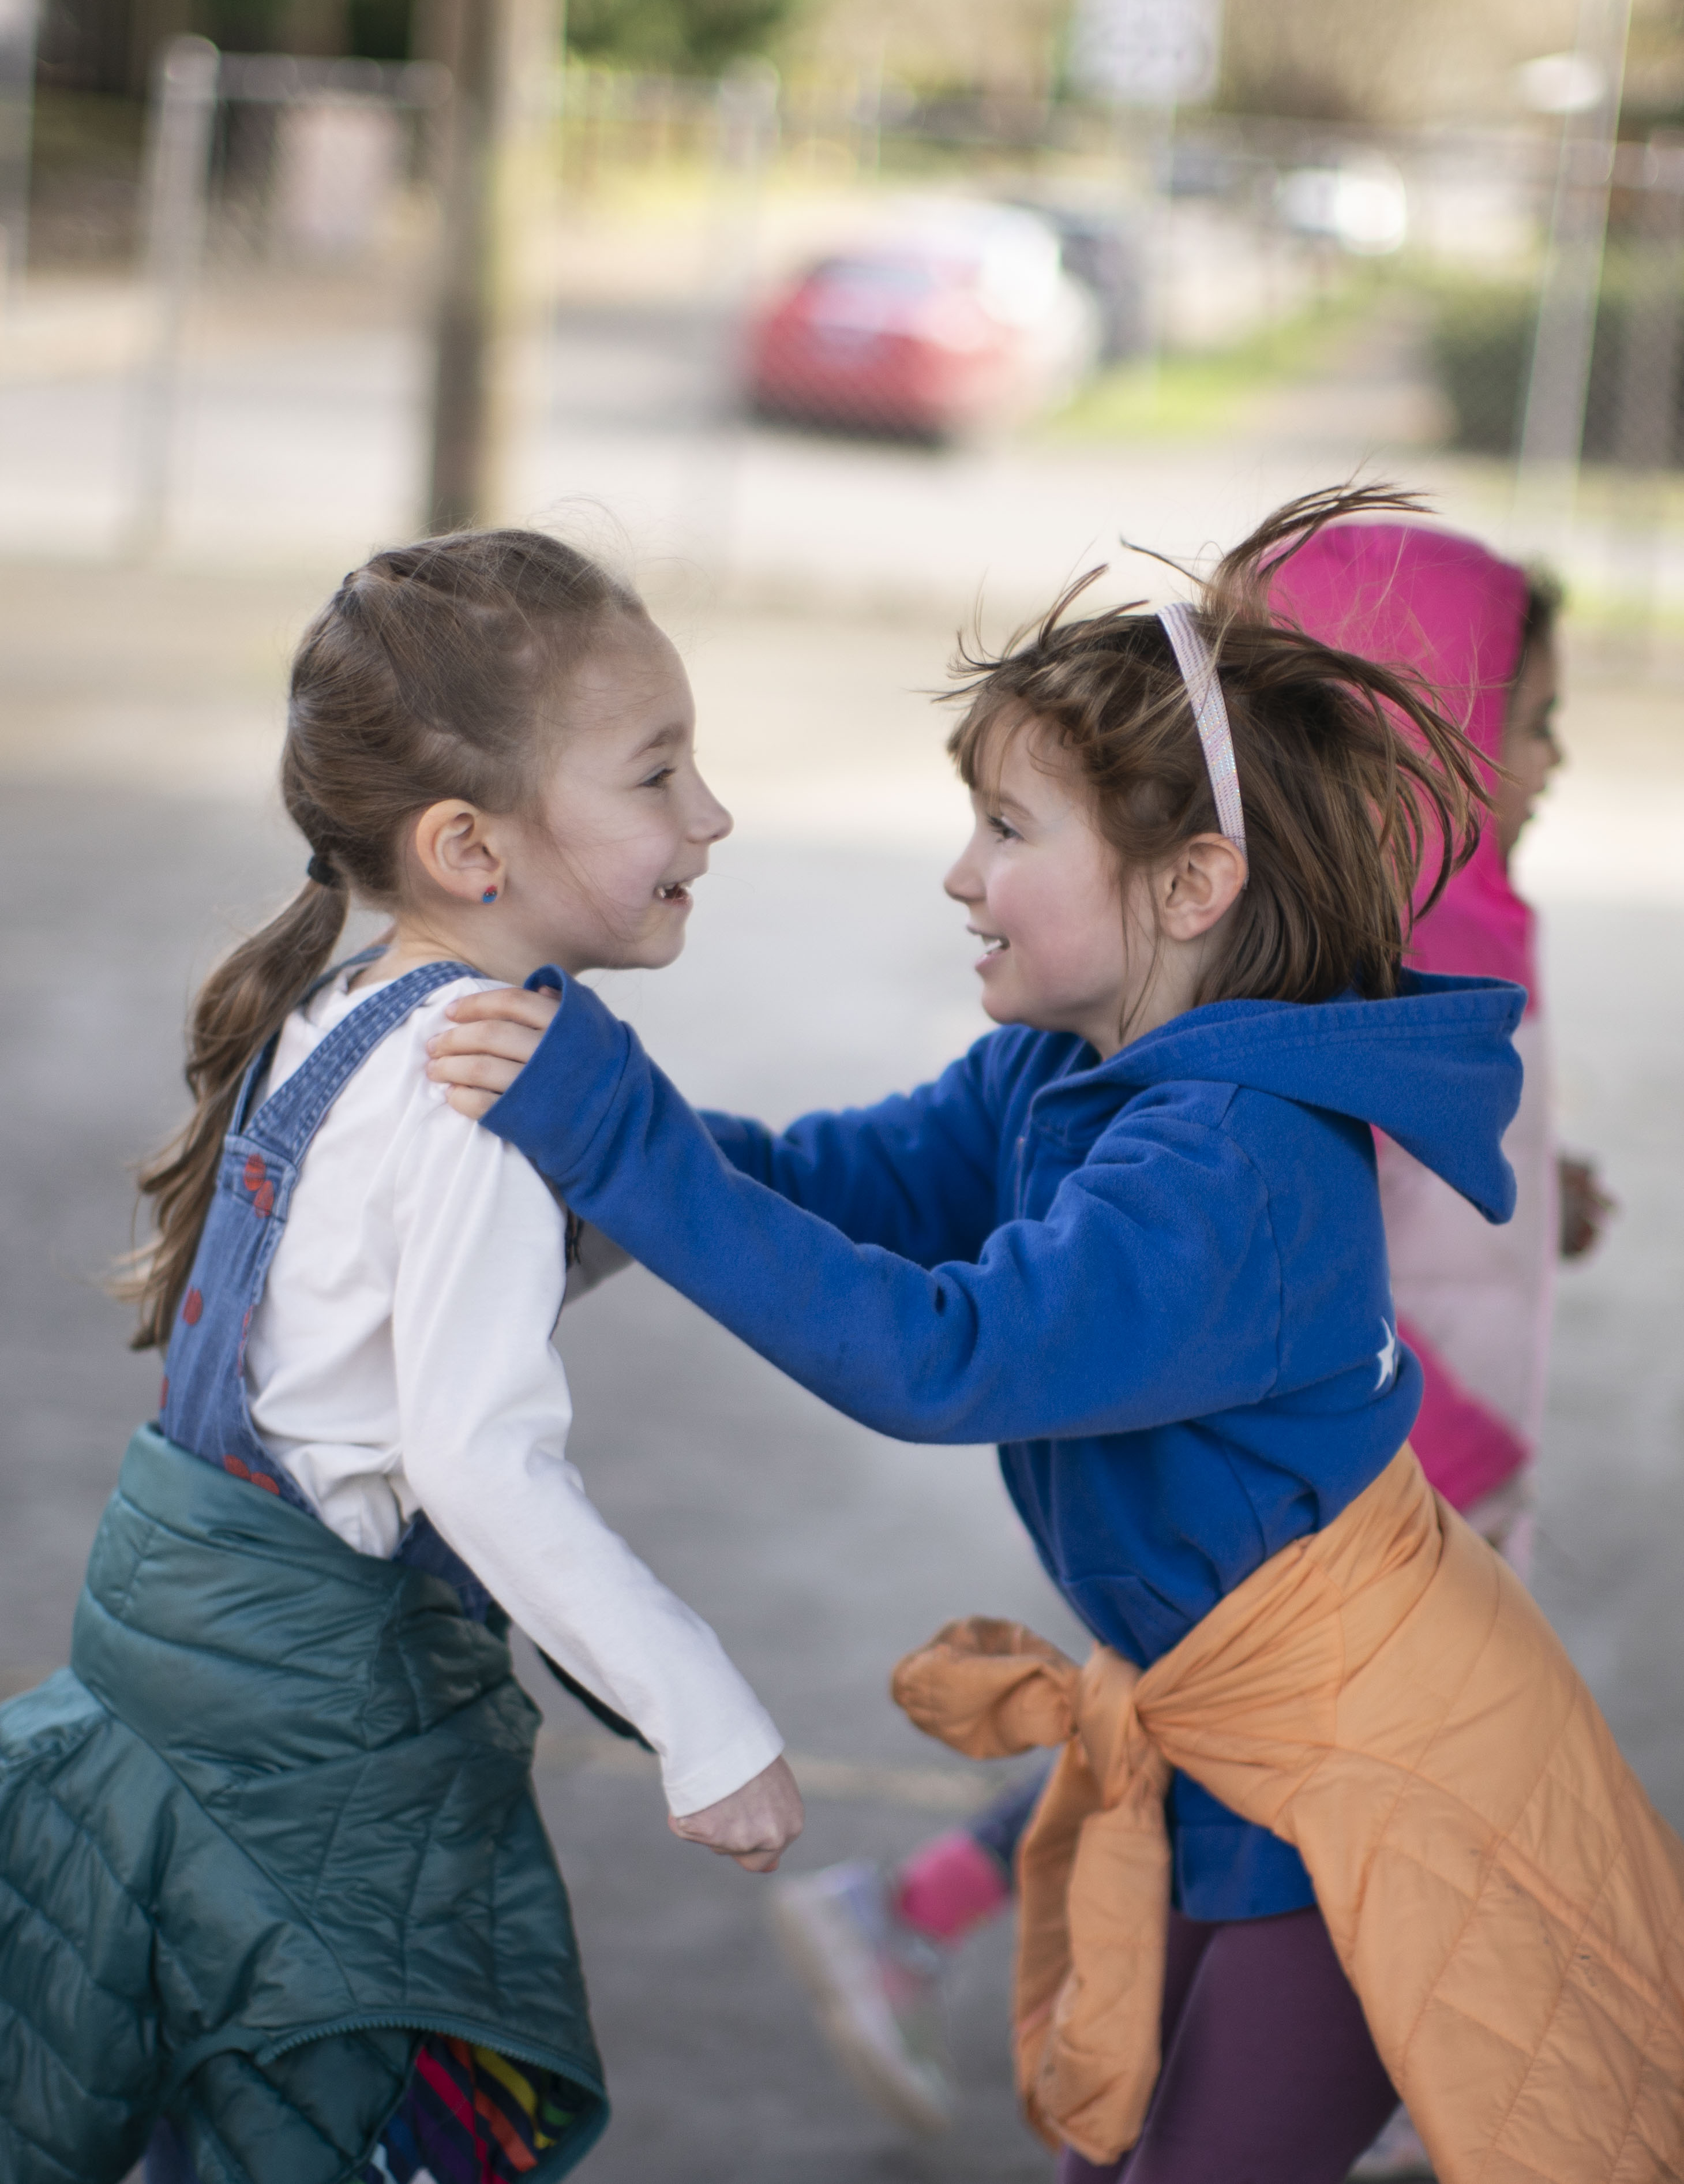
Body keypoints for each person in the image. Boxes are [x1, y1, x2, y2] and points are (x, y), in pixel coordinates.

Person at [425, 485, 1684, 2183]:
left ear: (1192, 882)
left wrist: (623, 1142)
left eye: (1009, 827)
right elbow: (834, 1180)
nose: (961, 871)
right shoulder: (1063, 1063)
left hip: (1376, 1776)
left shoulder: (1239, 1159)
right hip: (1224, 1748)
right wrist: (583, 1181)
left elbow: (945, 1356)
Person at [759, 519, 1617, 2164]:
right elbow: (984, 1295)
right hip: (1336, 1561)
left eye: (1009, 829)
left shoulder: (1379, 948)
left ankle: (913, 1906)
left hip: (1352, 1624)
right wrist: (621, 1154)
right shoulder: (1357, 959)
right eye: (1536, 713)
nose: (1553, 758)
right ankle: (912, 1904)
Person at [0, 530, 802, 2184]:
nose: (710, 816)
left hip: (191, 1702)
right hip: (309, 1773)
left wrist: (644, 1195)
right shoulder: (476, 1093)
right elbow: (472, 1454)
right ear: (469, 846)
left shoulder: (354, 1005)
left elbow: (357, 1340)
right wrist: (703, 1715)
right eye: (659, 773)